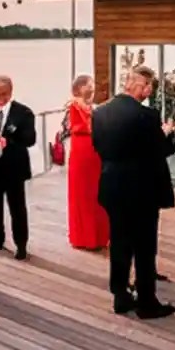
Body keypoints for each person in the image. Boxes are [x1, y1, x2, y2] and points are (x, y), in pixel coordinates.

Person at [92, 65, 175, 319]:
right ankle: (146, 302)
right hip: (142, 190)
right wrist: (169, 133)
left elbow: (98, 146)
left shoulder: (100, 113)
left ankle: (120, 296)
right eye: (148, 87)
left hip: (112, 186)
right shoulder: (147, 116)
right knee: (144, 246)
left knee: (119, 242)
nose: (149, 91)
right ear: (141, 87)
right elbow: (161, 150)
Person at [0, 75, 37, 260]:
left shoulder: (23, 112)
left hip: (12, 166)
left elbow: (30, 139)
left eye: (1, 94)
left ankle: (21, 244)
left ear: (10, 92)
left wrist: (10, 140)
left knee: (16, 206)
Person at [66, 74, 108, 250]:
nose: (92, 88)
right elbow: (87, 125)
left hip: (93, 151)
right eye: (88, 85)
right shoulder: (76, 105)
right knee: (83, 193)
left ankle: (97, 236)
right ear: (80, 88)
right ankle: (86, 237)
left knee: (95, 192)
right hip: (83, 151)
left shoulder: (89, 107)